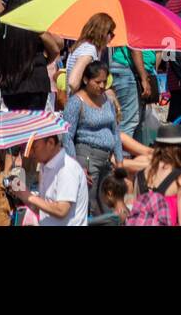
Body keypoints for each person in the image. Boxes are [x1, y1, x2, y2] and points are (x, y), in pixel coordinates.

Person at [62, 60, 122, 215]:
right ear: (86, 80)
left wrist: (120, 160)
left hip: (106, 161)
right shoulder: (76, 102)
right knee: (89, 204)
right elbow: (67, 136)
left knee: (105, 205)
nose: (102, 86)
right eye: (97, 82)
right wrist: (76, 167)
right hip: (86, 159)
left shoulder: (107, 101)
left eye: (104, 82)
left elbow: (115, 131)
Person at [11, 127, 89, 226]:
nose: (32, 154)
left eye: (35, 148)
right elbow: (42, 210)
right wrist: (22, 194)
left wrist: (29, 196)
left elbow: (61, 210)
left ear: (50, 143)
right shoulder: (45, 167)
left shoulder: (67, 167)